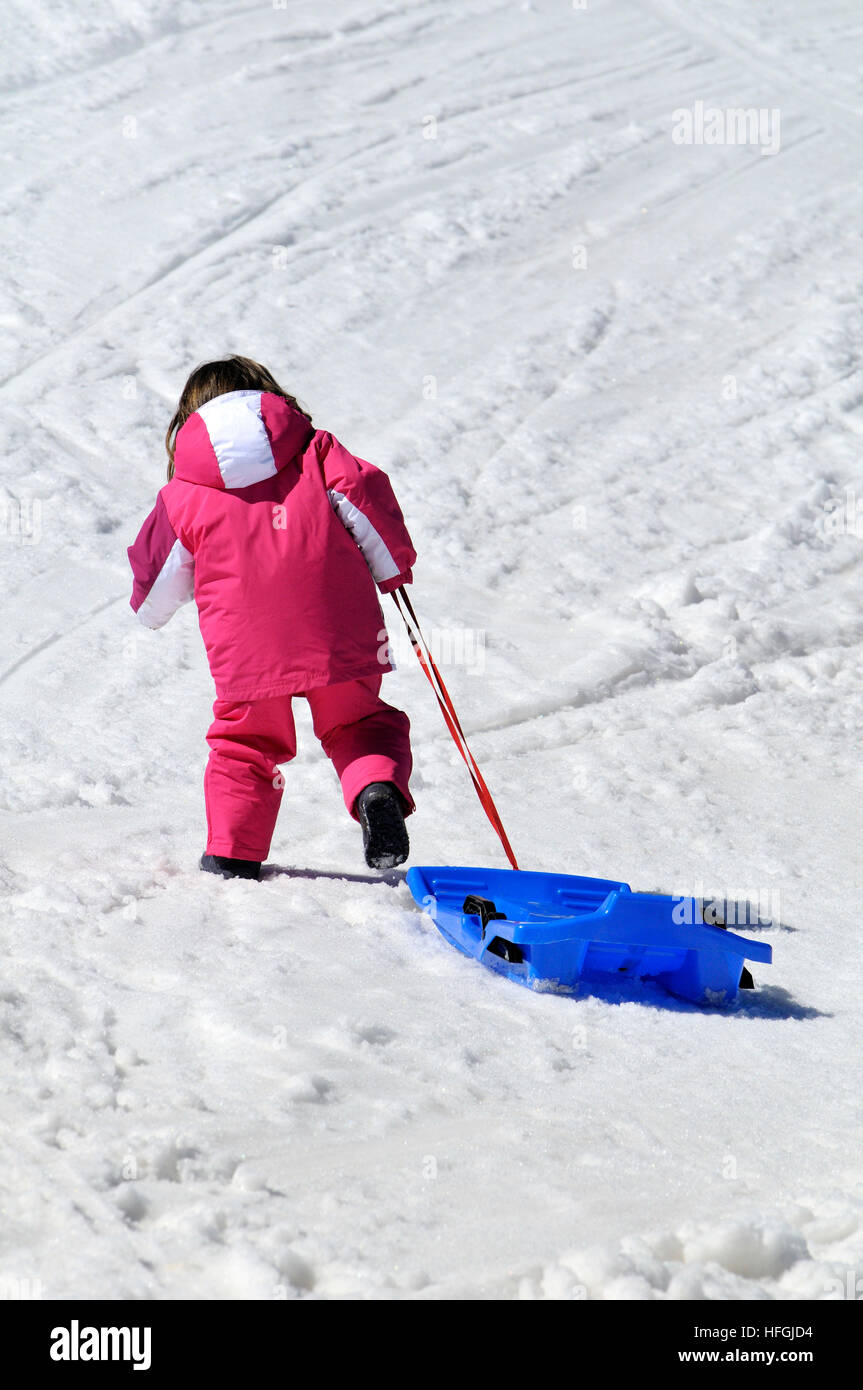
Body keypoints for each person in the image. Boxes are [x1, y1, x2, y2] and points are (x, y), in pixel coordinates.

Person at [127, 356, 416, 879]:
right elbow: (365, 498)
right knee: (359, 721)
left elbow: (155, 575)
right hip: (340, 631)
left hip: (247, 649)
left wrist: (151, 610)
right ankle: (375, 789)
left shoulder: (185, 492)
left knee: (245, 742)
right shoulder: (317, 450)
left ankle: (234, 852)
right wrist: (393, 568)